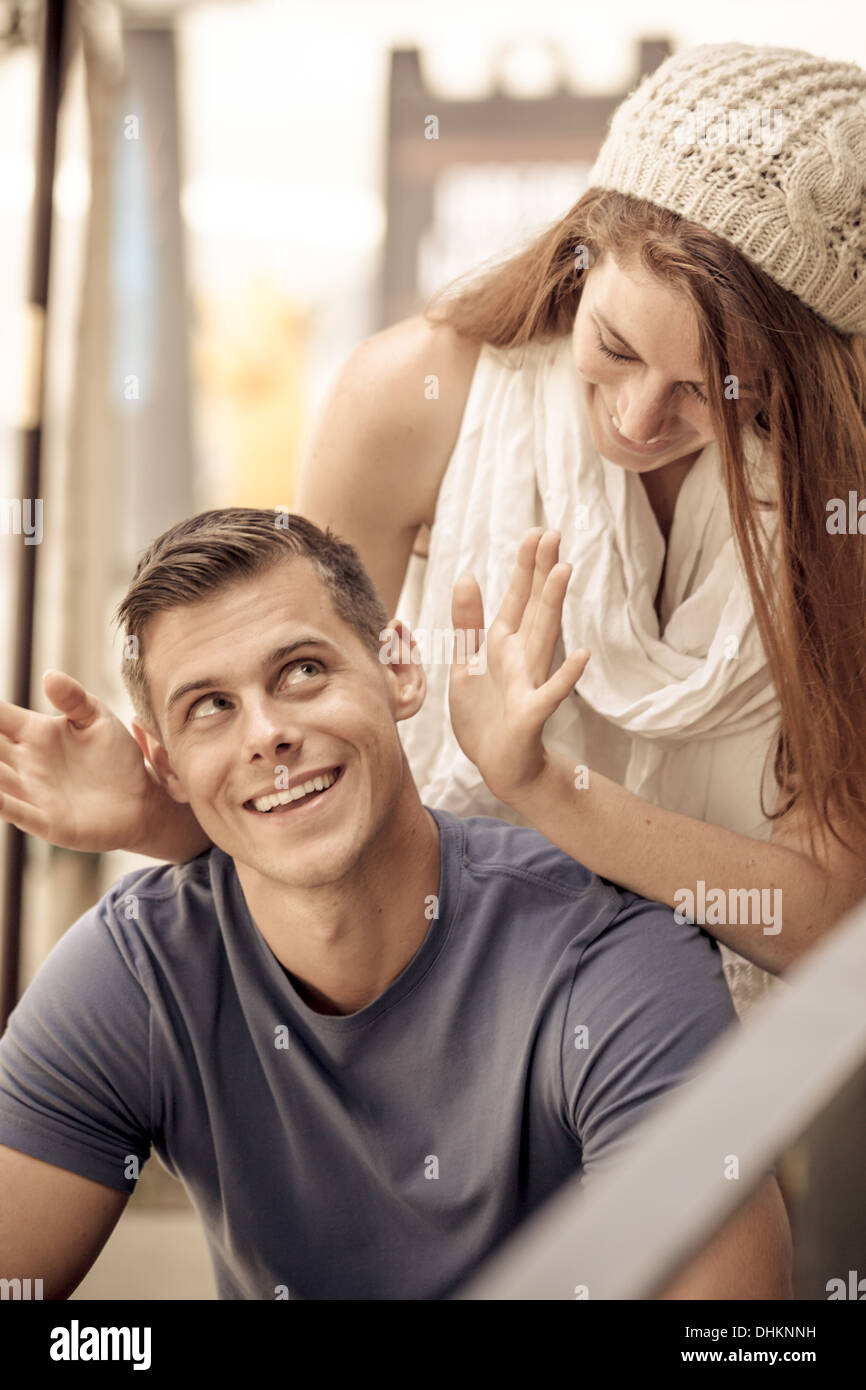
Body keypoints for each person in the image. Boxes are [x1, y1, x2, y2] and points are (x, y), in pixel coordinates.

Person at [0, 509, 791, 1300]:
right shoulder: (138, 971)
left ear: (400, 670)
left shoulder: (612, 959)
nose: (267, 735)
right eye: (211, 706)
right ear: (166, 767)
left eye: (302, 671)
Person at [295, 42, 866, 1021]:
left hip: (710, 1079)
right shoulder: (407, 402)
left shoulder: (839, 496)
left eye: (711, 391)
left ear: (804, 383)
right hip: (420, 1030)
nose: (639, 421)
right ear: (578, 250)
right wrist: (163, 812)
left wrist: (541, 785)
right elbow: (295, 772)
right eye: (613, 346)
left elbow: (818, 919)